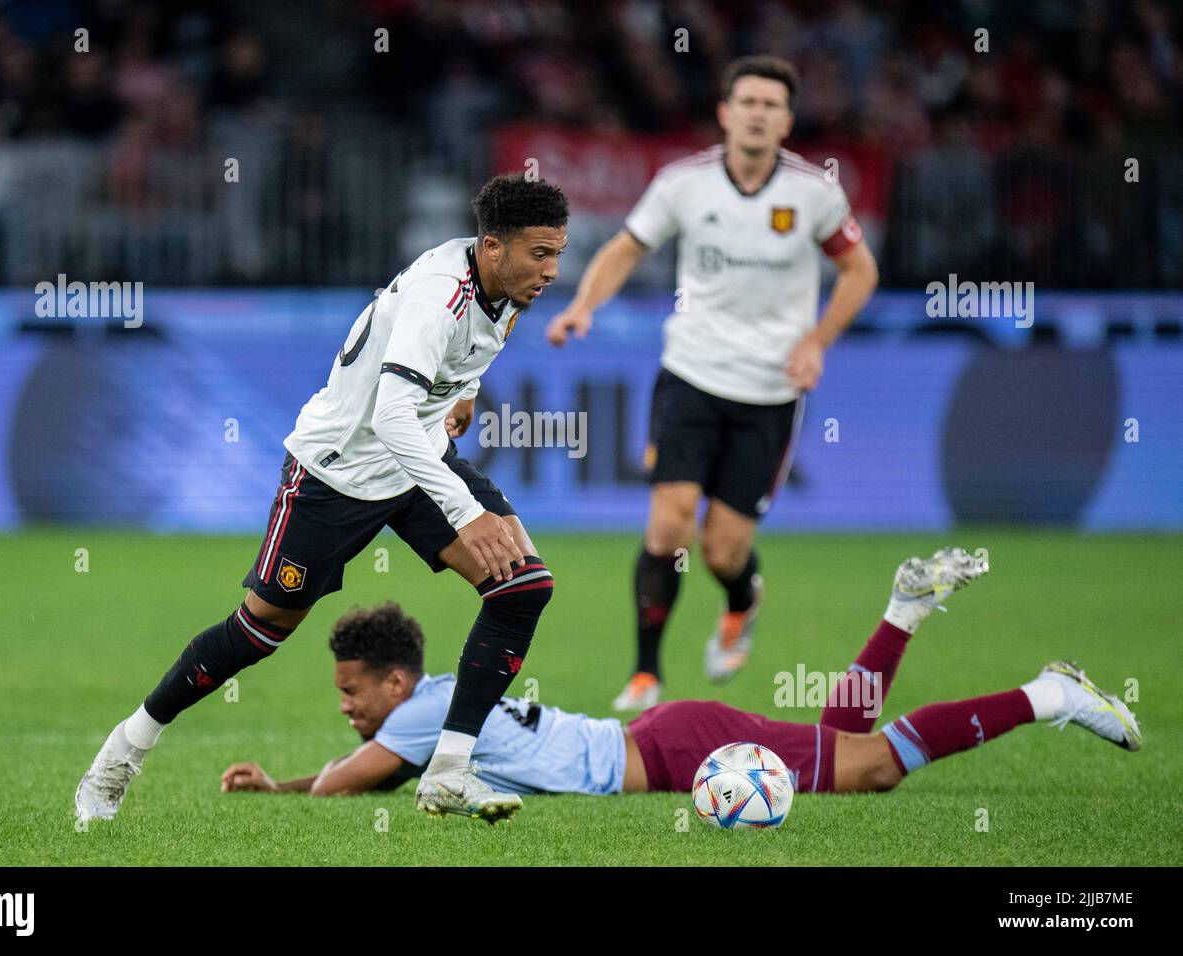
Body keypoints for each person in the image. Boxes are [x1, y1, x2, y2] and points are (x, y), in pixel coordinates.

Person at [76, 174, 569, 824]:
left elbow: (457, 365)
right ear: (493, 245)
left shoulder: (505, 287)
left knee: (522, 586)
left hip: (415, 464)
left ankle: (449, 770)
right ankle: (125, 749)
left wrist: (461, 394)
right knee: (258, 630)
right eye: (541, 254)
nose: (553, 271)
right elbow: (392, 419)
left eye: (557, 254)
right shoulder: (438, 298)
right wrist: (467, 512)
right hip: (337, 474)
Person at [220, 549, 1141, 811]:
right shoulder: (431, 708)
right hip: (668, 744)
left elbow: (348, 783)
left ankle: (1048, 694)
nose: (344, 708)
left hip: (672, 751)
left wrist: (278, 791)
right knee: (840, 753)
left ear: (393, 681)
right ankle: (902, 610)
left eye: (351, 692)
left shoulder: (418, 720)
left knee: (878, 767)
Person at [545, 55, 880, 709]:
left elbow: (860, 271)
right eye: (746, 102)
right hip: (690, 376)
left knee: (723, 550)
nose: (757, 113)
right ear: (725, 114)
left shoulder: (814, 194)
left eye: (771, 104)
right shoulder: (683, 183)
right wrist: (583, 305)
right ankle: (645, 674)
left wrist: (817, 341)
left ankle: (739, 603)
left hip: (770, 394)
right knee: (668, 528)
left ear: (787, 122)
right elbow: (624, 249)